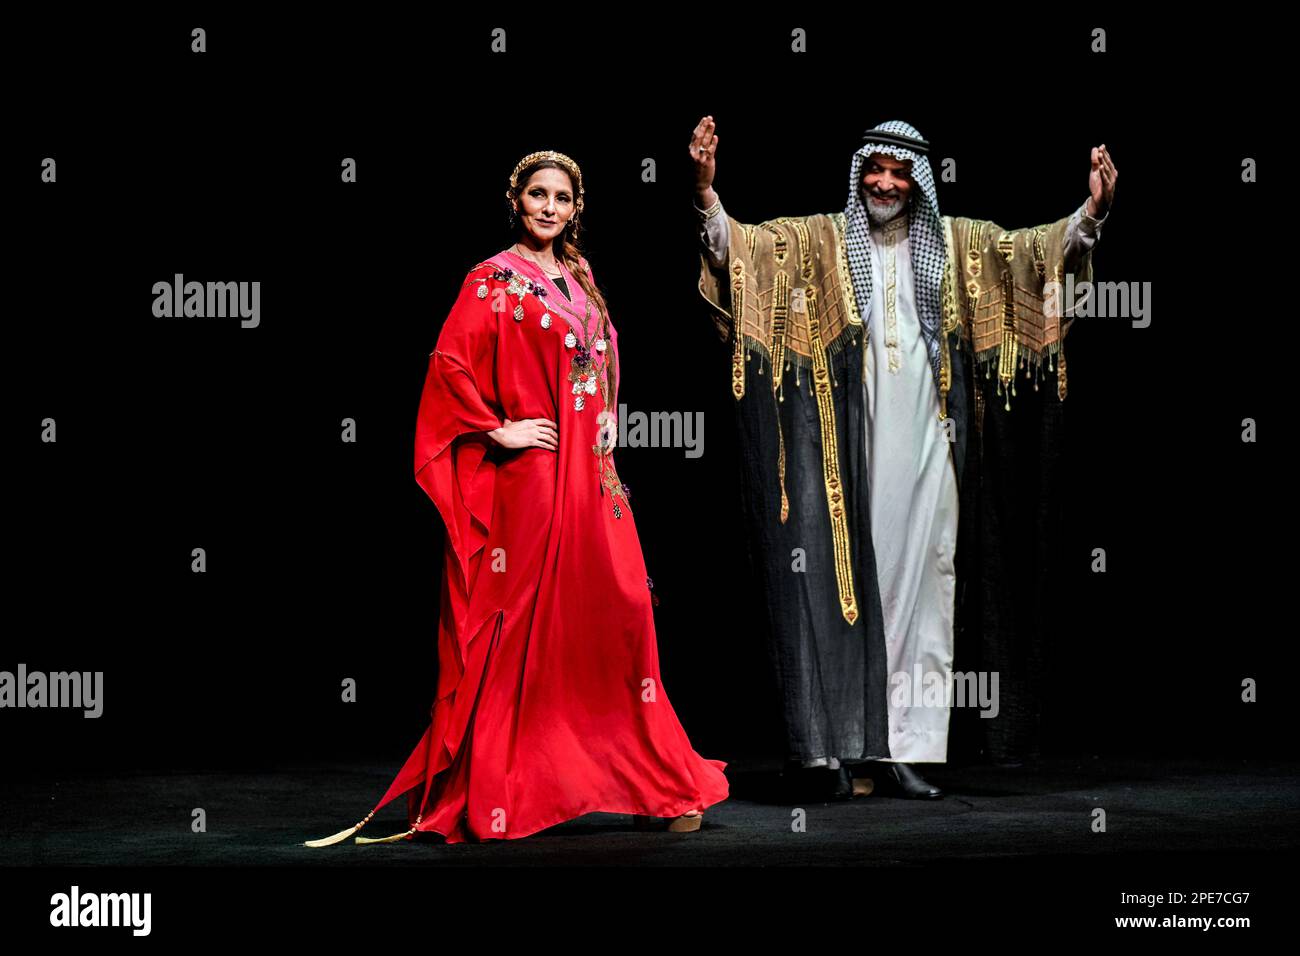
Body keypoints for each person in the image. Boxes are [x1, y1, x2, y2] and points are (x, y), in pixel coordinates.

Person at [305, 149, 728, 846]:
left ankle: (657, 782)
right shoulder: (491, 281)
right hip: (531, 481)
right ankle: (504, 789)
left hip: (593, 476)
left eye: (562, 197)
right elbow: (448, 367)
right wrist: (496, 429)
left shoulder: (581, 275)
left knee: (621, 614)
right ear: (517, 199)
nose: (550, 207)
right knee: (521, 629)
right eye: (538, 194)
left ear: (576, 208)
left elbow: (601, 350)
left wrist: (610, 410)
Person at [689, 117, 1114, 798]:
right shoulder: (820, 242)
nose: (884, 182)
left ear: (918, 179)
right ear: (861, 172)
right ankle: (839, 749)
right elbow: (743, 251)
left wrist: (1091, 212)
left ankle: (903, 752)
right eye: (874, 168)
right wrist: (708, 194)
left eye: (898, 171)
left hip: (927, 444)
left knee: (923, 589)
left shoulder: (956, 244)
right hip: (844, 448)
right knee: (842, 585)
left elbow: (1033, 254)